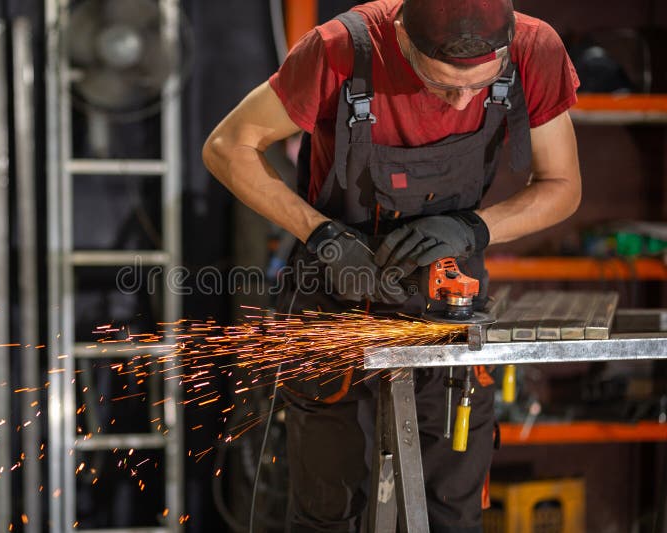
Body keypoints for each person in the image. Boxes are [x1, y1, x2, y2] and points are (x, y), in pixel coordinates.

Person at [203, 0, 581, 531]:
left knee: (448, 510)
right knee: (331, 512)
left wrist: (471, 228)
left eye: (480, 86)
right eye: (444, 85)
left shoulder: (534, 50)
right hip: (335, 303)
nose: (462, 102)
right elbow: (226, 146)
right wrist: (323, 235)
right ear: (403, 38)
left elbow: (563, 187)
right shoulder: (339, 50)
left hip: (447, 313)